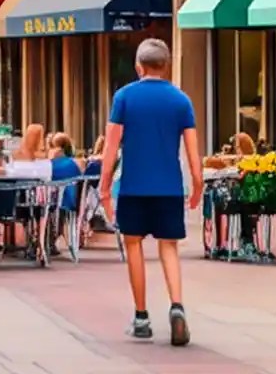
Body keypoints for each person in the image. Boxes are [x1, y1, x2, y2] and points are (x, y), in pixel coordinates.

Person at [99, 38, 203, 347]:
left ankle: (141, 317)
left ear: (138, 67)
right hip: (169, 188)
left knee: (134, 246)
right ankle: (177, 306)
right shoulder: (181, 100)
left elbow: (111, 146)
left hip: (134, 186)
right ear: (166, 66)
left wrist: (105, 188)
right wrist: (197, 185)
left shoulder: (124, 97)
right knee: (168, 247)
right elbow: (193, 152)